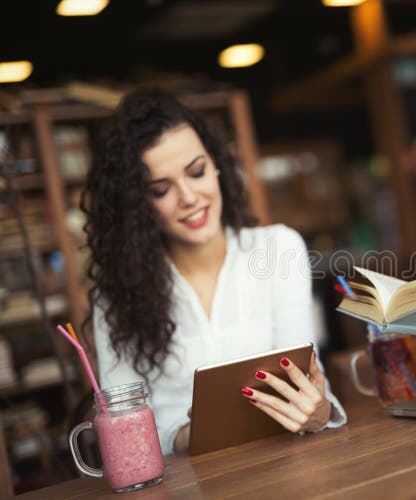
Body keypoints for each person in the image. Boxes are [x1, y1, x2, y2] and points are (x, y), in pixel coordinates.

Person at [82, 89, 346, 454]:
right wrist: (189, 437)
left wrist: (318, 409)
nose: (189, 197)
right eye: (161, 189)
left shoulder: (277, 248)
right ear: (136, 206)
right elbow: (127, 442)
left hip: (292, 465)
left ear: (217, 164)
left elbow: (311, 384)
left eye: (197, 171)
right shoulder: (115, 299)